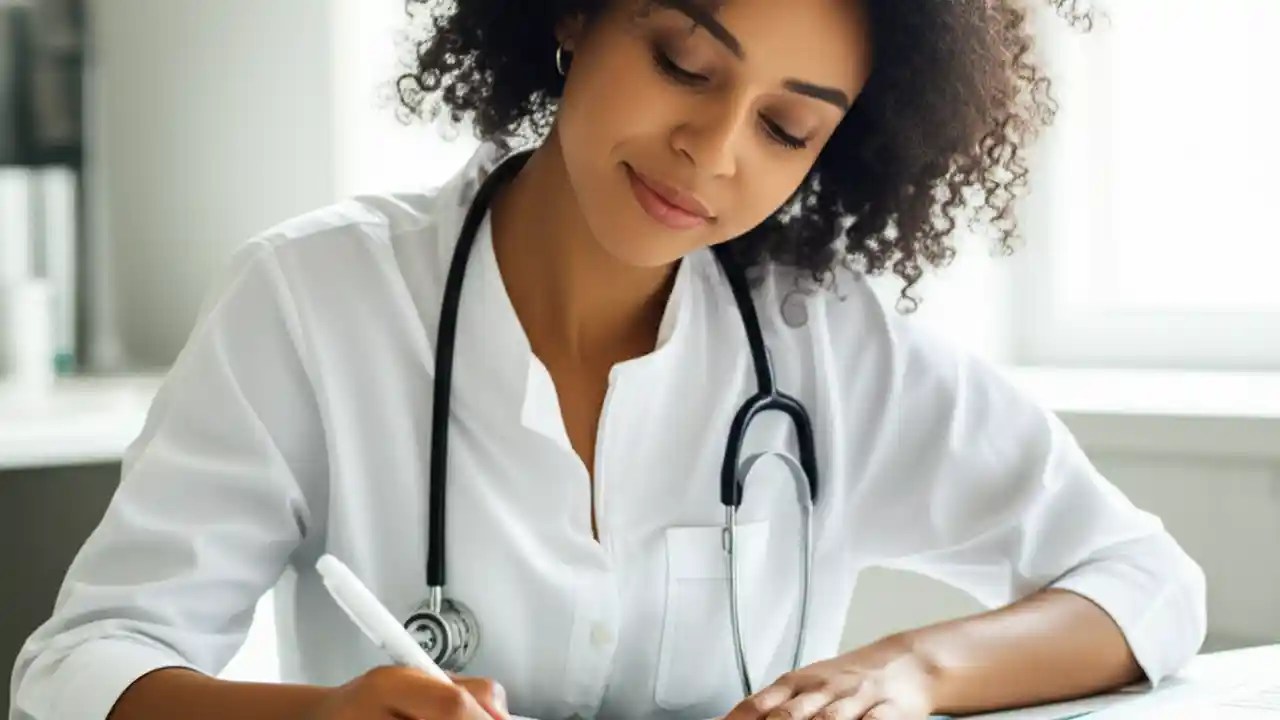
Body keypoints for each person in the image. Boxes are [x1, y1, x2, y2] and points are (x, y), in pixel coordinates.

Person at [11, 1, 1206, 719]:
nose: (712, 149)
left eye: (786, 126)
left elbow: (1146, 584)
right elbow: (79, 669)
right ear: (575, 11)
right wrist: (322, 718)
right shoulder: (315, 302)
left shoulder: (822, 345)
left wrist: (908, 671)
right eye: (685, 61)